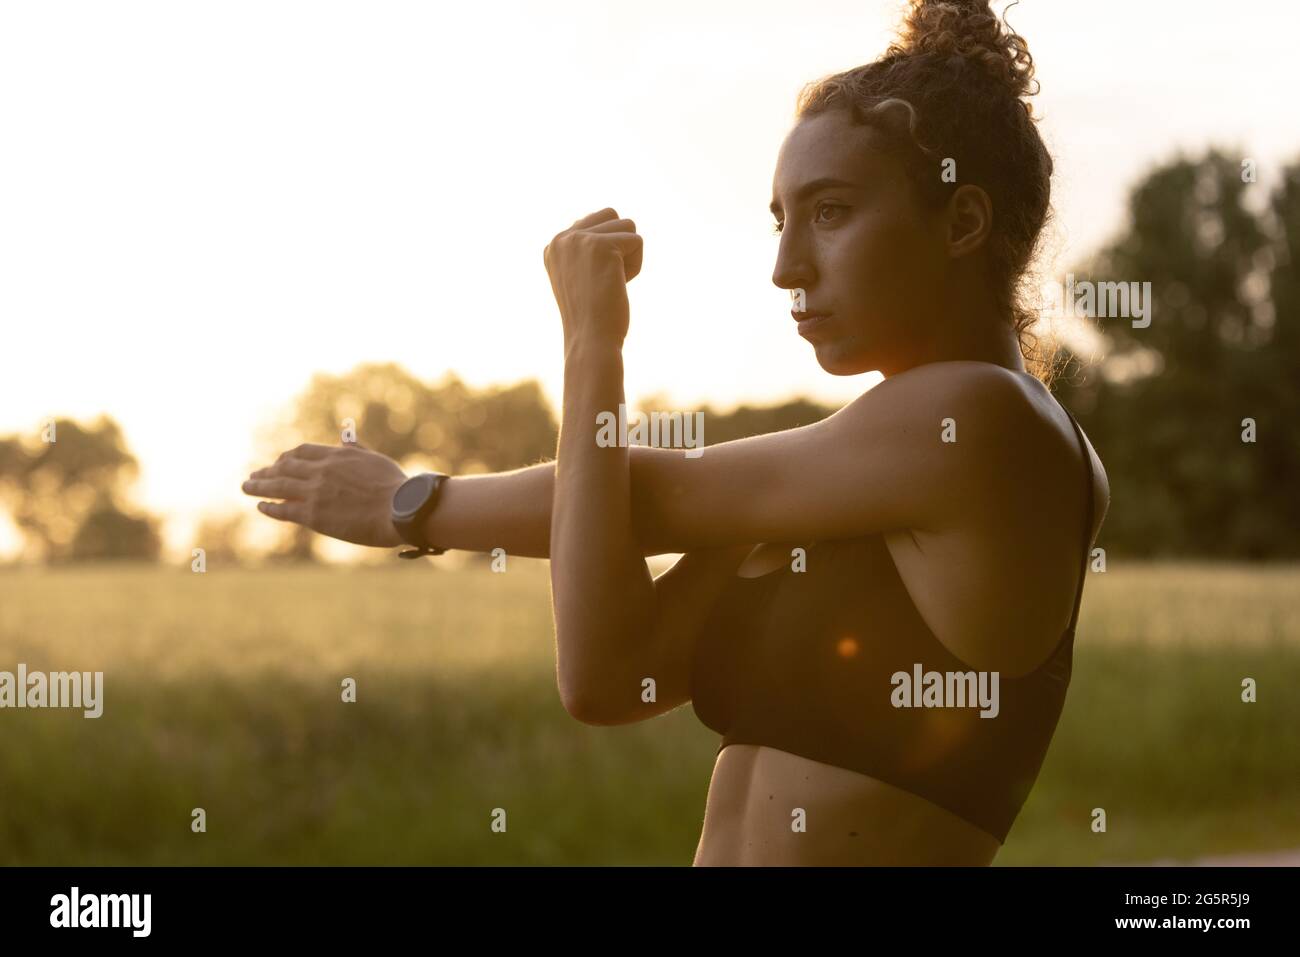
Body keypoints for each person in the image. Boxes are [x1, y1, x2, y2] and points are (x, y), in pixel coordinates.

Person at [242, 0, 1109, 865]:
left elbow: (651, 495)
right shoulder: (838, 477)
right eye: (782, 220)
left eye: (832, 212)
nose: (786, 268)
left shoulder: (990, 424)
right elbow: (606, 674)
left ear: (962, 222)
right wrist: (586, 364)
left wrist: (419, 497)